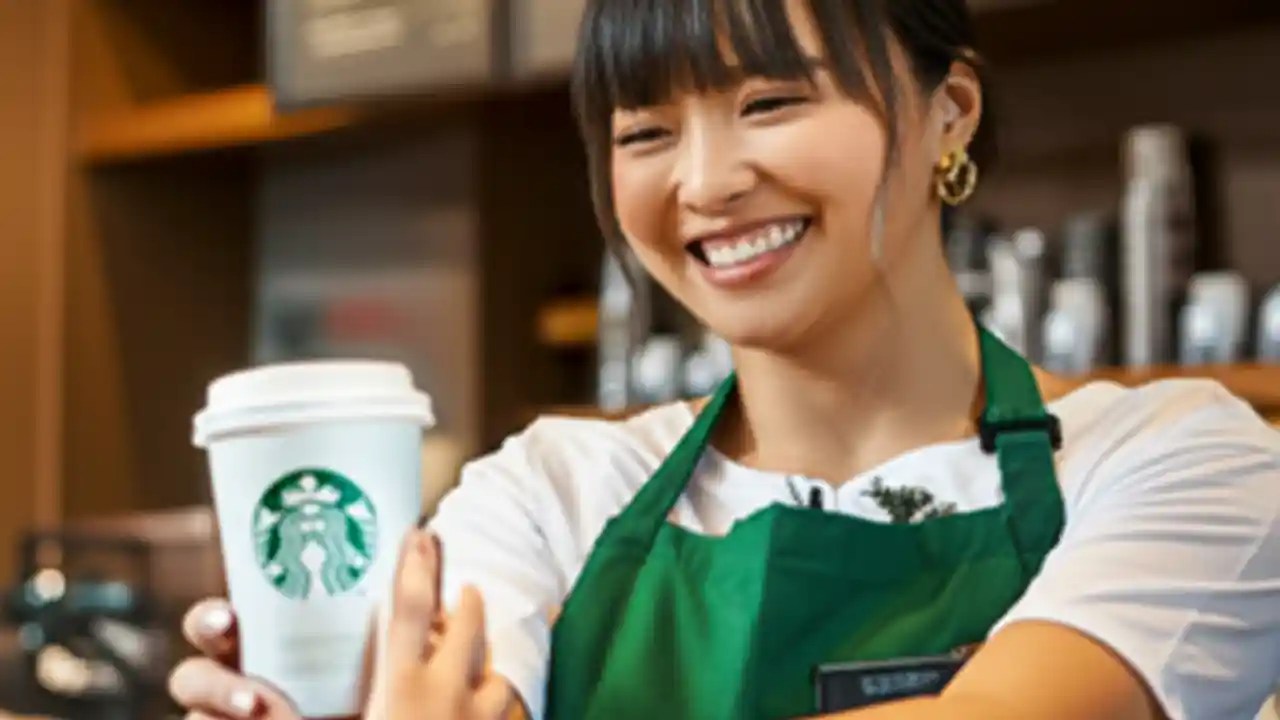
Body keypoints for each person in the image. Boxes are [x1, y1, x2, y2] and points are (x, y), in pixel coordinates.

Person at [168, 0, 1280, 718]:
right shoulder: (549, 489)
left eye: (768, 101)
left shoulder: (1176, 463)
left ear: (948, 113)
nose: (703, 184)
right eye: (644, 133)